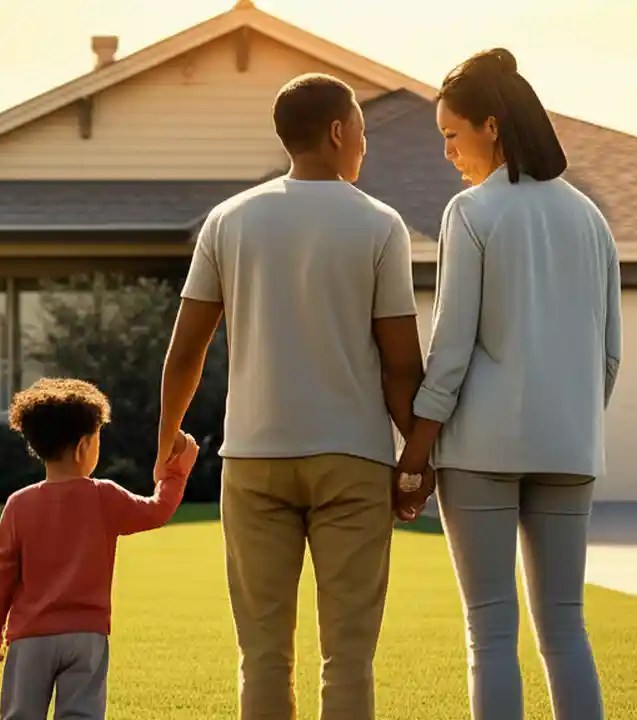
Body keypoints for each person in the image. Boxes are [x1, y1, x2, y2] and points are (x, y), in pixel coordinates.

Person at [155, 73, 427, 720]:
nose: (364, 143)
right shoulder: (380, 225)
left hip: (253, 461)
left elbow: (186, 350)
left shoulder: (229, 220)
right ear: (337, 132)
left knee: (263, 657)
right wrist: (417, 459)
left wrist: (165, 444)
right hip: (352, 461)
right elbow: (400, 368)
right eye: (360, 128)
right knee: (349, 659)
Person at [395, 48, 620, 720]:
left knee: (490, 632)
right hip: (570, 447)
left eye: (451, 136)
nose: (447, 153)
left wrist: (416, 453)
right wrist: (573, 417)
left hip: (482, 452)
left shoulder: (472, 213)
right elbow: (608, 354)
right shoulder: (592, 220)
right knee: (566, 630)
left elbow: (452, 349)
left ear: (490, 126)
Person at [0, 377, 199, 720]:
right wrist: (177, 471)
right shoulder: (104, 496)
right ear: (85, 446)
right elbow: (157, 510)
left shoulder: (17, 505)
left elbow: (3, 574)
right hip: (86, 636)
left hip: (29, 638)